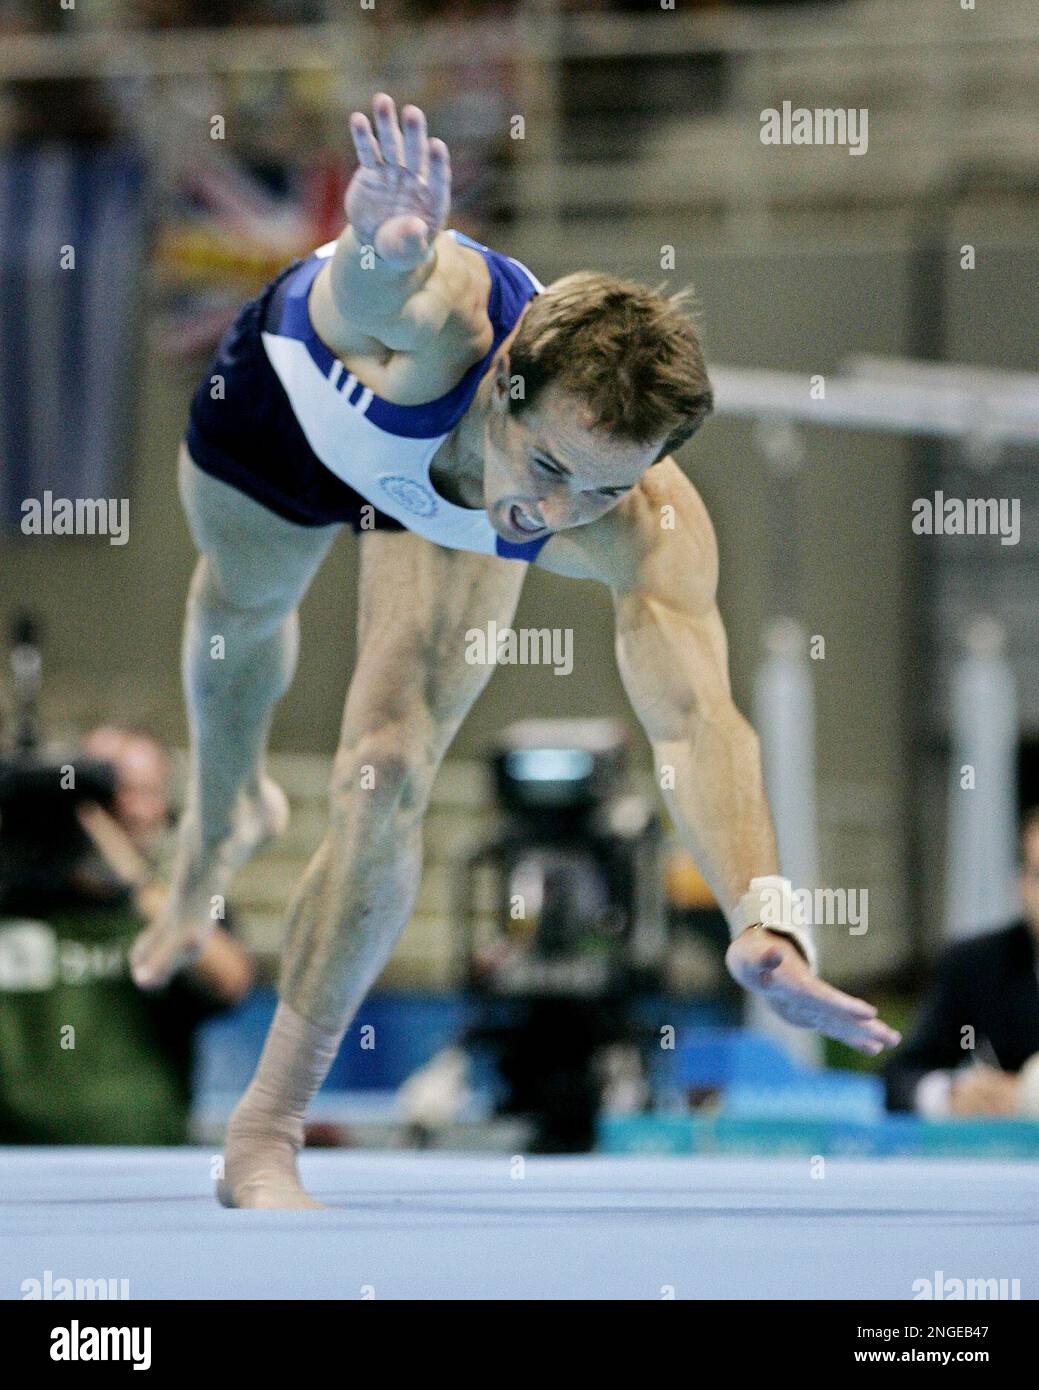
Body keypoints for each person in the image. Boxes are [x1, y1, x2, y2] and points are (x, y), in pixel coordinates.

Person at [129, 94, 899, 1207]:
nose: (557, 514)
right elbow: (369, 290)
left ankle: (265, 1129)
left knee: (383, 771)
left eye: (603, 484)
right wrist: (376, 245)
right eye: (551, 471)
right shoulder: (440, 322)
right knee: (240, 612)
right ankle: (216, 823)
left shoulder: (631, 521)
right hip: (286, 413)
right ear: (504, 388)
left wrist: (761, 913)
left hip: (438, 504)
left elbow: (695, 718)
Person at [0, 726, 253, 1144]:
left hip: (144, 1175)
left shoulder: (183, 906)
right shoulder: (14, 895)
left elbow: (232, 981)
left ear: (166, 806)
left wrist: (132, 880)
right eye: (108, 790)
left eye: (144, 791)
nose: (126, 809)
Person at [885, 807, 1039, 1116]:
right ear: (1020, 882)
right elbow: (902, 1076)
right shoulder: (976, 965)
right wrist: (952, 1095)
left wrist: (1027, 1094)